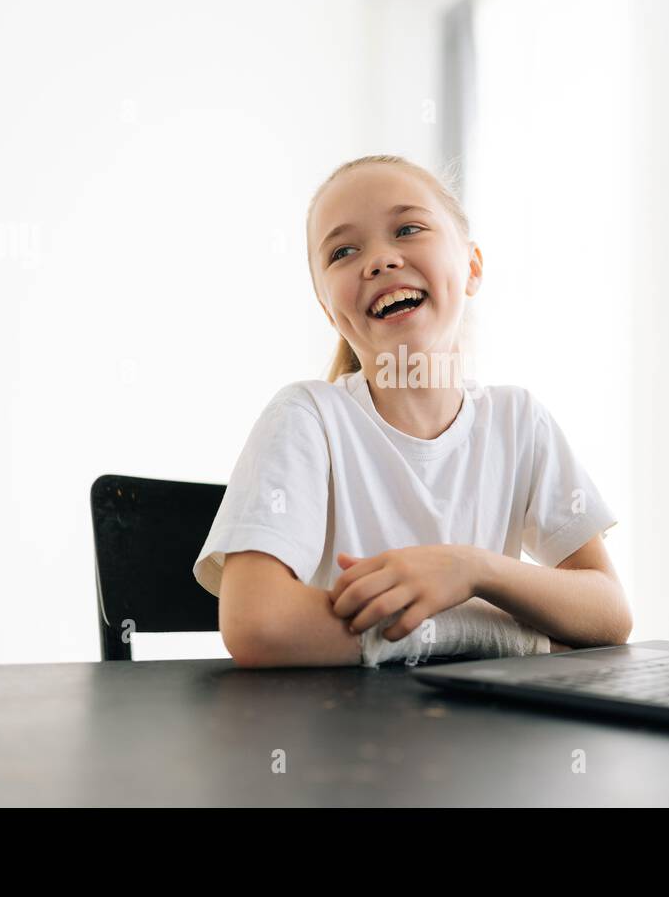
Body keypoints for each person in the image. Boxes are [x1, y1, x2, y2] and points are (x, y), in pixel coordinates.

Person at [193, 154, 631, 667]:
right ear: (327, 308)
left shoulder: (520, 420)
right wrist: (509, 637)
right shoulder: (307, 416)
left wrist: (470, 568)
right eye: (343, 251)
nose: (378, 260)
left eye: (408, 228)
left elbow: (610, 612)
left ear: (472, 267)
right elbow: (257, 623)